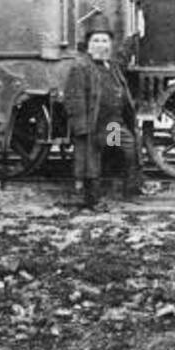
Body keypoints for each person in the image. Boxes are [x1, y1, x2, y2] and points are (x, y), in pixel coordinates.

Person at [64, 14, 143, 209]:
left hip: (112, 124)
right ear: (89, 45)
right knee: (91, 162)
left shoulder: (111, 64)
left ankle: (128, 190)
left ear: (110, 44)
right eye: (96, 40)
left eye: (105, 40)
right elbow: (74, 99)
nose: (101, 45)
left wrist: (136, 34)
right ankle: (92, 200)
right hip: (94, 124)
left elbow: (124, 54)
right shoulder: (81, 66)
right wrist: (81, 128)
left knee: (127, 149)